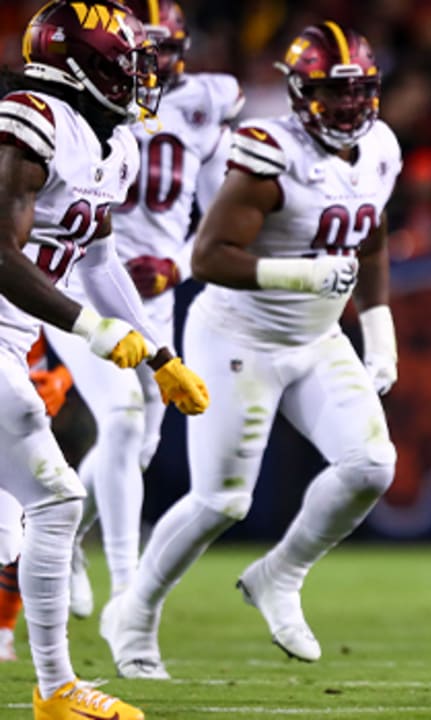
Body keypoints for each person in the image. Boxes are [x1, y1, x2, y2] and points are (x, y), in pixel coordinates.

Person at [102, 21, 401, 680]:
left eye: (358, 93)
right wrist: (299, 274)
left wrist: (379, 334)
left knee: (372, 465)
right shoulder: (270, 153)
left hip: (317, 336)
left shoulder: (381, 147)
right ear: (299, 93)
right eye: (332, 93)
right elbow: (208, 257)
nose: (349, 108)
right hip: (238, 335)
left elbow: (372, 239)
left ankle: (280, 575)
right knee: (222, 501)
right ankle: (135, 611)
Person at [0, 1, 210, 716]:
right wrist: (95, 333)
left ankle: (56, 690)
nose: (140, 77)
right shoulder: (30, 121)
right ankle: (56, 692)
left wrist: (157, 353)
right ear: (78, 66)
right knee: (52, 500)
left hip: (7, 343)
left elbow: (97, 261)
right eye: (125, 64)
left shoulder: (112, 144)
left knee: (44, 506)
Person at [38, 0, 242, 622]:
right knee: (123, 421)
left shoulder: (194, 109)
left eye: (156, 54)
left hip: (147, 296)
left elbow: (217, 217)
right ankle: (125, 588)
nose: (147, 73)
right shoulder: (74, 120)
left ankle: (65, 537)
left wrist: (176, 266)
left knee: (139, 441)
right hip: (67, 286)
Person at [0, 334, 78, 664]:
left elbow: (79, 338)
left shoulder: (50, 288)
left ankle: (3, 631)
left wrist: (62, 379)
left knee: (13, 537)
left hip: (23, 412)